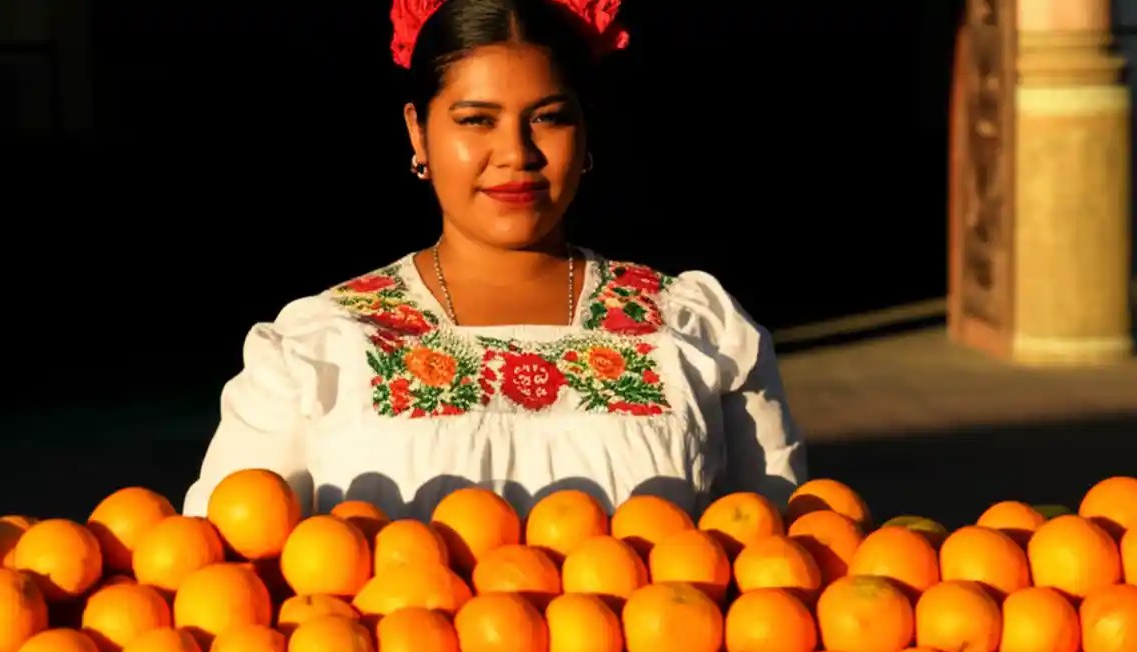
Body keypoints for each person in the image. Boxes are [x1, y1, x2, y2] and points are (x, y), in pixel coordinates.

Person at [182, 0, 807, 521]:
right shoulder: (321, 346)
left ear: (586, 134)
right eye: (476, 120)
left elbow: (781, 574)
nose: (516, 153)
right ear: (417, 134)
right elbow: (217, 570)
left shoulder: (697, 329)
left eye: (549, 118)